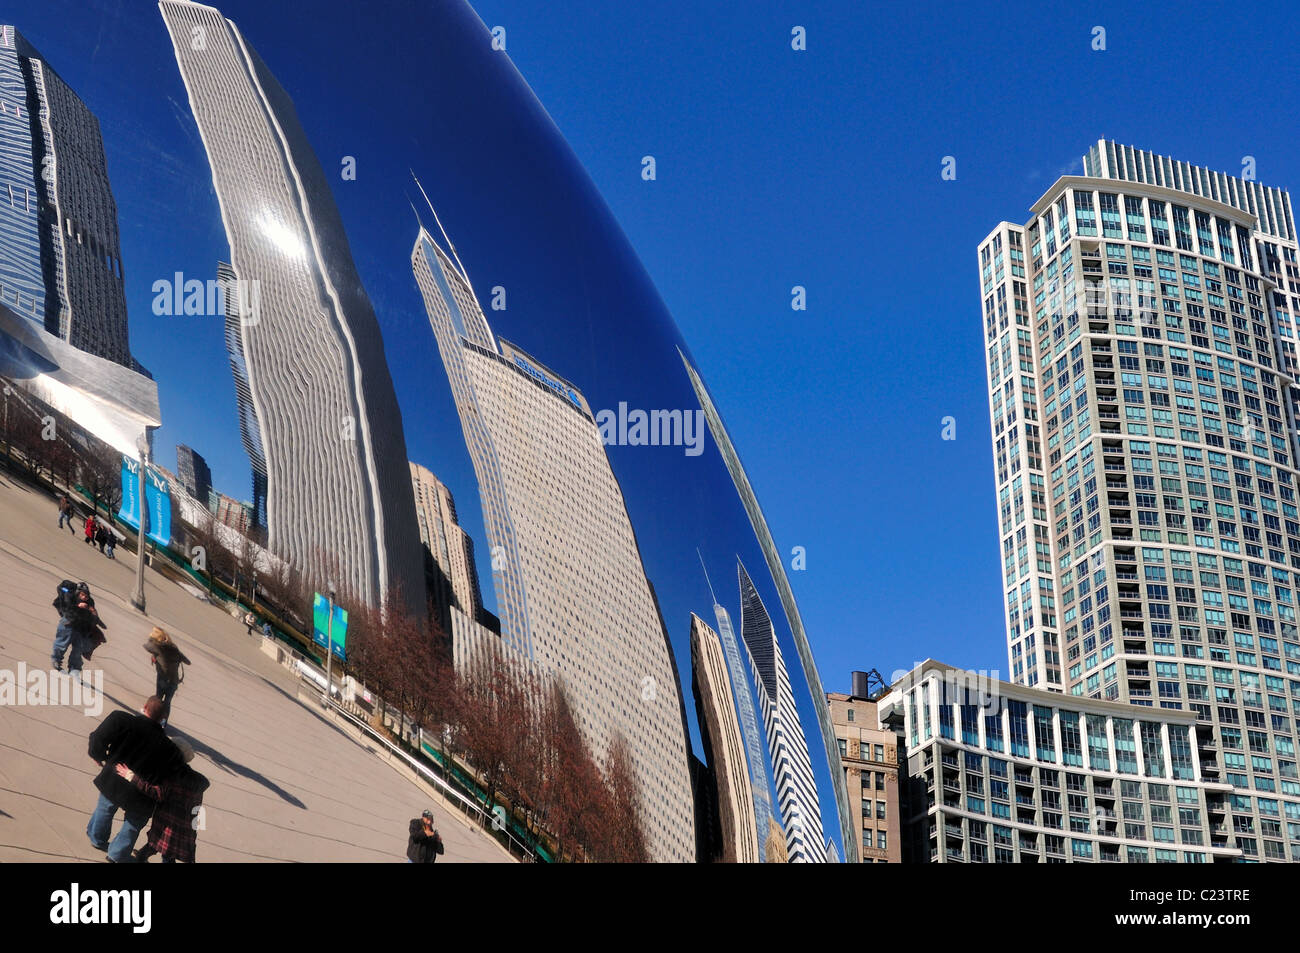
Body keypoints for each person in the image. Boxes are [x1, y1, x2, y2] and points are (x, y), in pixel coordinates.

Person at [86, 696, 184, 863]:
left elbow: (98, 737)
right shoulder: (170, 749)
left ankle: (97, 838)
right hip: (143, 792)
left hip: (115, 777)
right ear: (163, 719)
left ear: (144, 707)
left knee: (105, 808)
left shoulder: (122, 720)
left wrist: (99, 756)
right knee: (133, 824)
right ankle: (117, 854)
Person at [117, 739, 210, 864]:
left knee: (165, 850)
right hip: (186, 825)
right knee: (160, 844)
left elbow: (157, 793)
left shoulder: (173, 776)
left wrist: (131, 777)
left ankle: (141, 857)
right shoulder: (197, 781)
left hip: (168, 822)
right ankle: (142, 856)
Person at [51, 581, 106, 675]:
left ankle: (74, 668)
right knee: (62, 643)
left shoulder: (89, 602)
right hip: (68, 623)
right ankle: (56, 660)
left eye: (86, 596)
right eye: (82, 595)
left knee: (78, 649)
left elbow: (94, 615)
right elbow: (63, 593)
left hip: (81, 628)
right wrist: (78, 606)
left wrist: (92, 612)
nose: (84, 597)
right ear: (77, 593)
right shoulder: (70, 595)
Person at [144, 628, 191, 726]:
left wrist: (152, 643)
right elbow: (188, 662)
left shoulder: (158, 647)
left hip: (162, 679)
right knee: (167, 703)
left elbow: (146, 646)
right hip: (173, 682)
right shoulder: (174, 649)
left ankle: (152, 720)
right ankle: (163, 723)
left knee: (158, 699)